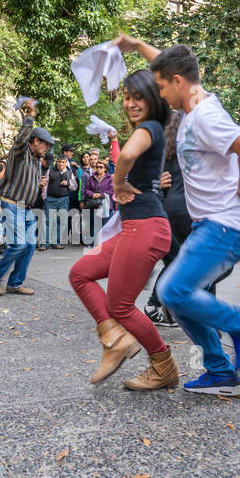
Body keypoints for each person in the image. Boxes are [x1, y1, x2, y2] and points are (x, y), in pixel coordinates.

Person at [116, 36, 240, 395]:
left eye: (163, 87)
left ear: (178, 83)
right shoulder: (195, 101)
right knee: (178, 297)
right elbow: (168, 66)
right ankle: (220, 372)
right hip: (210, 225)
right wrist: (137, 46)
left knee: (172, 289)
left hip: (226, 224)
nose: (160, 94)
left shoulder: (206, 117)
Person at [69, 70, 178, 389]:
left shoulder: (150, 127)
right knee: (80, 273)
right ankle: (114, 338)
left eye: (137, 97)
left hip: (146, 228)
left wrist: (117, 182)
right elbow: (126, 154)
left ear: (153, 99)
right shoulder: (150, 130)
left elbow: (127, 156)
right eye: (127, 97)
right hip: (135, 228)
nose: (130, 103)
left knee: (120, 305)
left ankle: (163, 365)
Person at [0, 97, 54, 296]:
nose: (47, 148)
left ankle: (15, 283)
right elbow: (20, 138)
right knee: (18, 244)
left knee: (30, 245)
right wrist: (30, 116)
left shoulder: (36, 160)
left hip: (26, 208)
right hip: (11, 204)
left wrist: (36, 184)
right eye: (45, 144)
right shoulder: (20, 153)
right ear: (35, 141)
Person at [46, 154, 75, 248]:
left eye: (63, 162)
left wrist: (68, 184)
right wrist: (44, 197)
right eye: (59, 162)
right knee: (47, 221)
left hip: (63, 199)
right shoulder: (50, 171)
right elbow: (44, 185)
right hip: (50, 198)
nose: (61, 164)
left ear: (66, 163)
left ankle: (56, 242)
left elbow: (75, 187)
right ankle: (44, 243)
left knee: (60, 221)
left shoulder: (70, 173)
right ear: (56, 162)